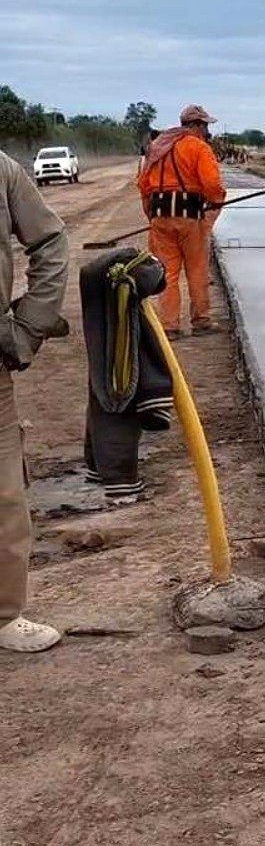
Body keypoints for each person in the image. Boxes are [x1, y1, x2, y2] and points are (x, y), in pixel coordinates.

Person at [0, 149, 69, 653]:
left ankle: (4, 616)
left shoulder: (2, 169)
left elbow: (49, 239)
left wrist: (33, 323)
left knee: (4, 494)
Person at [138, 105, 226, 340]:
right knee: (197, 270)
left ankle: (169, 326)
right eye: (205, 125)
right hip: (189, 218)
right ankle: (201, 321)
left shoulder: (157, 148)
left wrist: (151, 216)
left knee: (168, 273)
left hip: (160, 218)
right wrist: (215, 205)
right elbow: (212, 184)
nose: (207, 130)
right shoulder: (198, 147)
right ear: (196, 125)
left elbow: (144, 185)